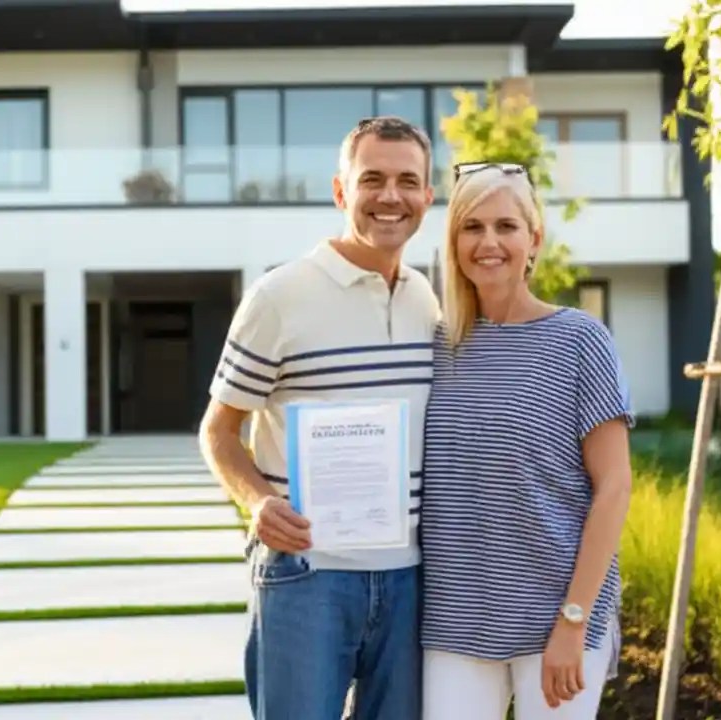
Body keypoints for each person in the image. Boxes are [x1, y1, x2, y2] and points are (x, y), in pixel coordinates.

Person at [197, 116, 440, 720]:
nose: (391, 196)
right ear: (341, 192)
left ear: (427, 198)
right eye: (372, 179)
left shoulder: (427, 299)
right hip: (307, 577)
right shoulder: (278, 295)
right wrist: (257, 503)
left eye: (408, 181)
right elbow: (218, 430)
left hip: (410, 579)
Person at [418, 162, 635, 719]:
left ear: (533, 239)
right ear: (453, 242)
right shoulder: (437, 345)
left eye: (505, 226)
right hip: (454, 619)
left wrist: (574, 620)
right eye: (472, 227)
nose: (488, 242)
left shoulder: (580, 339)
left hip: (555, 616)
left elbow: (613, 487)